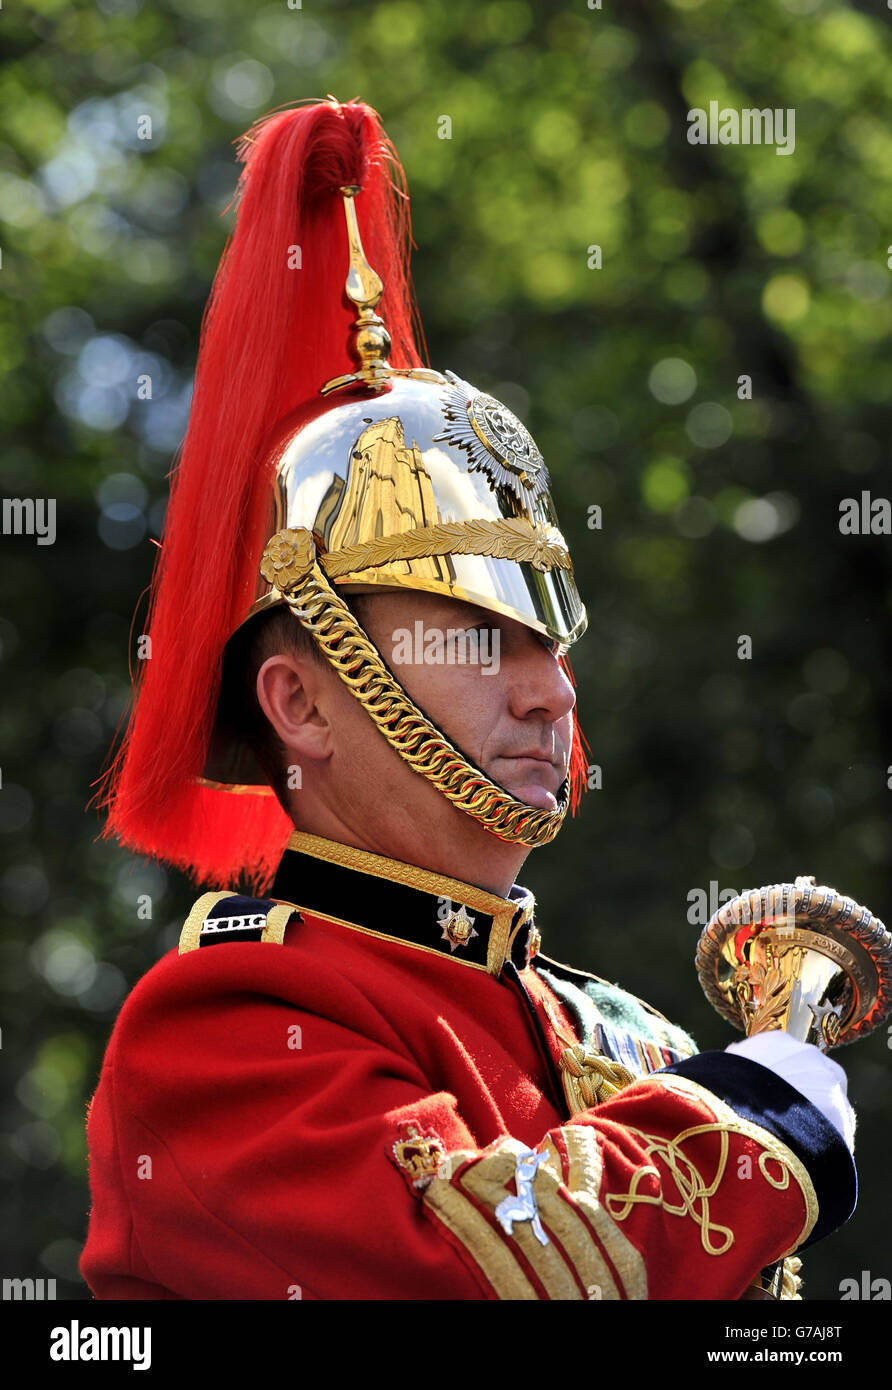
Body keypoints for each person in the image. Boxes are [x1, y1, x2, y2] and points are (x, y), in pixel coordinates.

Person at [79, 98, 855, 1301]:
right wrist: (748, 1126)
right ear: (301, 703)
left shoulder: (628, 1038)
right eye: (482, 636)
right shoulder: (226, 1018)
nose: (552, 691)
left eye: (548, 637)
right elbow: (485, 1275)